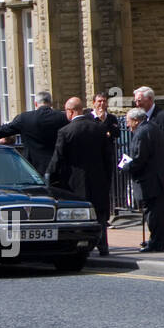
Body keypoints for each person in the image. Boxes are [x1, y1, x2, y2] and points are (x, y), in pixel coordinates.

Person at [46, 97, 115, 255]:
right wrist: (107, 178)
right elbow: (108, 158)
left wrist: (49, 177)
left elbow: (58, 158)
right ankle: (103, 247)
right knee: (100, 215)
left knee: (77, 216)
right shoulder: (99, 129)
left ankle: (80, 246)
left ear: (70, 111)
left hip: (73, 183)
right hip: (98, 180)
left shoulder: (65, 131)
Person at [134, 86, 164, 250]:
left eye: (139, 100)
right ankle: (163, 237)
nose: (137, 103)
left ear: (149, 99)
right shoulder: (142, 119)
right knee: (160, 209)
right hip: (153, 174)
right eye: (136, 100)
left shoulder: (163, 117)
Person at [123, 107, 164, 253]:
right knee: (158, 212)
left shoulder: (141, 133)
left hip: (150, 181)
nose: (127, 126)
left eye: (128, 122)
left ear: (135, 120)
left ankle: (156, 243)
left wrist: (126, 167)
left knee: (152, 213)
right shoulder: (152, 127)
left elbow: (140, 159)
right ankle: (157, 240)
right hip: (159, 179)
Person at [0, 91, 70, 175]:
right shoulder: (62, 117)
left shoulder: (25, 118)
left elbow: (5, 129)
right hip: (57, 166)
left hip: (32, 167)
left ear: (35, 103)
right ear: (51, 103)